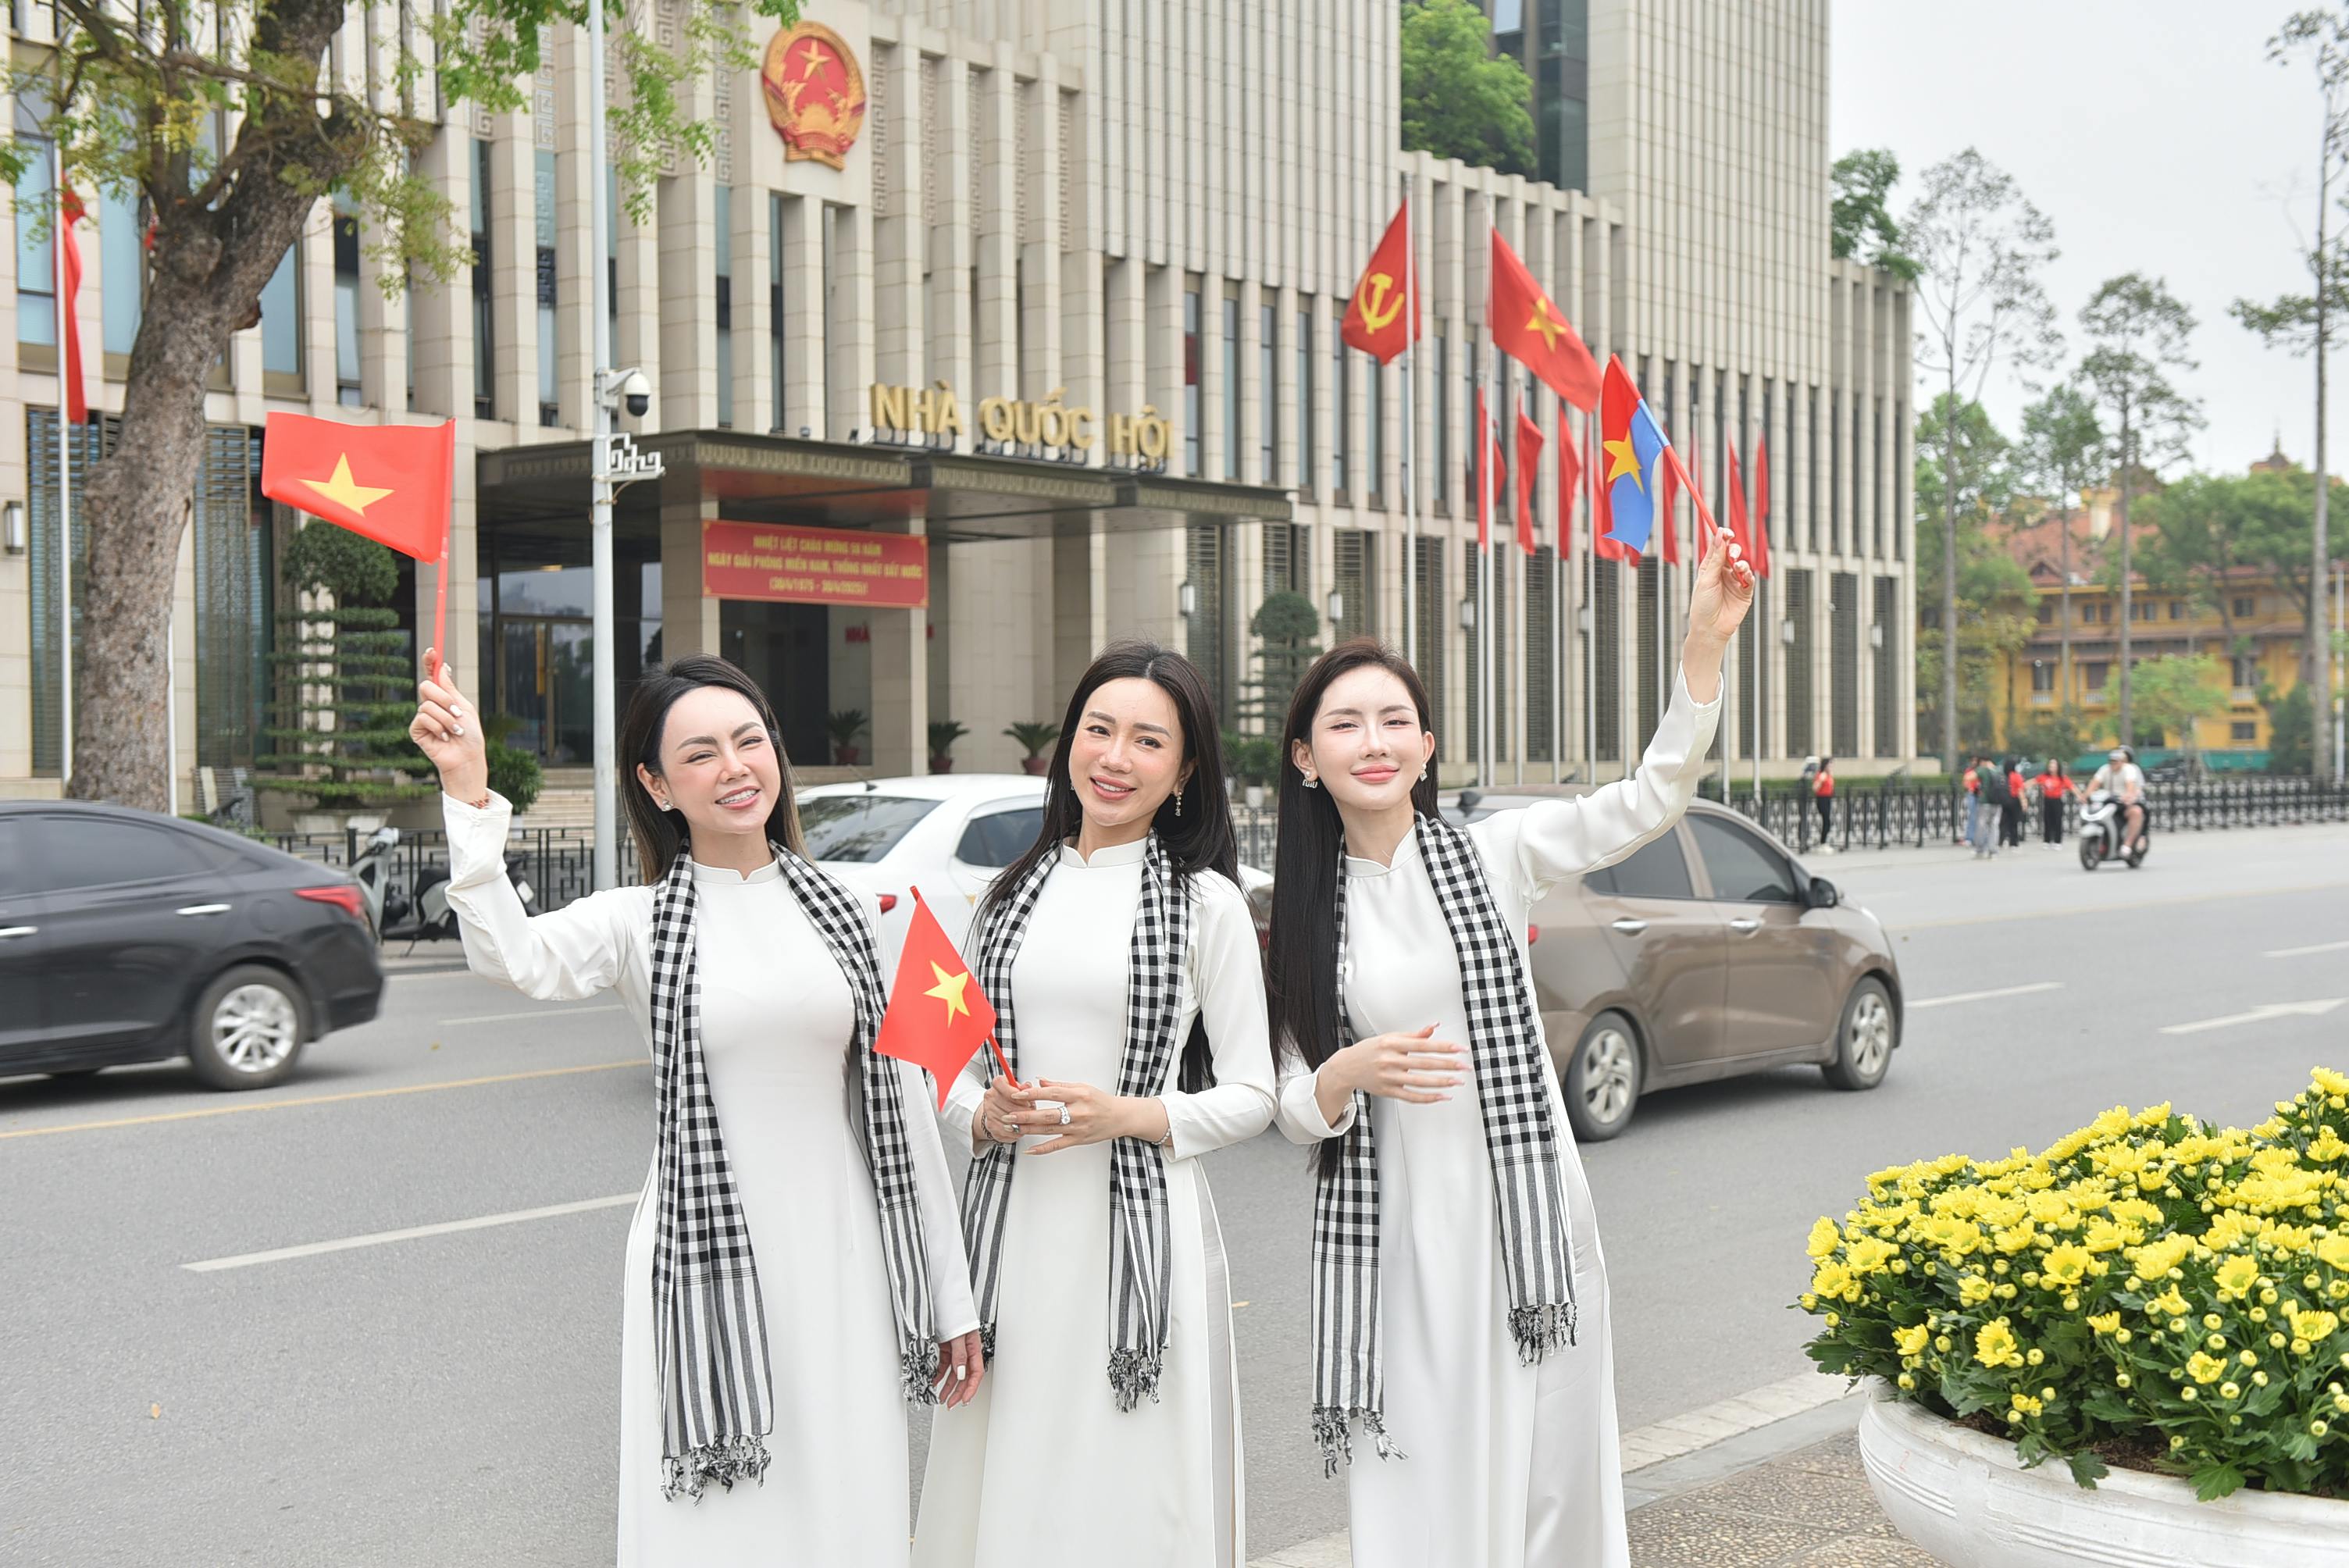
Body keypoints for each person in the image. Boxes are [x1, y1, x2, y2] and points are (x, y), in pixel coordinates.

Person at [407, 652, 982, 1567]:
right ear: (655, 783)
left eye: (749, 741)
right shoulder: (635, 921)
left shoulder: (865, 906)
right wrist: (469, 790)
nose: (734, 767)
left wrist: (950, 1299)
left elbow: (923, 1104)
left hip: (841, 1251)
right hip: (698, 1253)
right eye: (702, 752)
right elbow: (505, 955)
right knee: (718, 1520)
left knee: (845, 1496)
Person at [1267, 526, 1752, 1568]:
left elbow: (1652, 796)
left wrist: (1701, 650)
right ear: (1307, 757)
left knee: (1550, 1470)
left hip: (1529, 1225)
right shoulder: (1301, 914)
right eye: (1345, 723)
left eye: (1396, 718)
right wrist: (1346, 1073)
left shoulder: (1497, 855)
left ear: (1428, 745)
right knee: (1419, 1473)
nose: (1375, 739)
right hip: (1396, 1238)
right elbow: (1288, 1106)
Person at [915, 642, 1275, 1568]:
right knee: (1013, 1463)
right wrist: (980, 1115)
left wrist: (1130, 1115)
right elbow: (947, 1063)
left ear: (1185, 768)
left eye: (1147, 740)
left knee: (1128, 1476)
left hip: (1138, 1236)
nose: (1114, 757)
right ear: (1068, 743)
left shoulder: (1208, 905)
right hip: (1015, 1230)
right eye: (1098, 729)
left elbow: (1250, 1092)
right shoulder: (1004, 895)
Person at [2088, 745, 2148, 853]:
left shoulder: (2131, 769)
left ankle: (2129, 844)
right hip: (2109, 802)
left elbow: (2133, 786)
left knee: (2137, 812)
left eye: (2117, 760)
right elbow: (2094, 783)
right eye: (2112, 761)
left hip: (2128, 802)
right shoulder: (2105, 769)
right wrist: (2086, 795)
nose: (2114, 763)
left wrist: (2130, 795)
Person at [1969, 754, 2006, 859]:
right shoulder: (1999, 771)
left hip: (1985, 802)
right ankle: (1993, 851)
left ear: (1983, 762)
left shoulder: (1983, 770)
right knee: (1994, 826)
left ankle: (1980, 849)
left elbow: (1969, 777)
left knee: (1981, 825)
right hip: (1997, 803)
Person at [2032, 757, 2069, 845]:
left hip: (2057, 801)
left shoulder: (2061, 778)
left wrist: (2081, 796)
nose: (2052, 766)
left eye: (2054, 764)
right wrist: (2022, 786)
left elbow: (2072, 787)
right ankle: (2047, 840)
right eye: (2050, 764)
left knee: (2057, 821)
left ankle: (2057, 841)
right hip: (2047, 800)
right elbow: (2033, 781)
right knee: (2047, 820)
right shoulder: (2044, 777)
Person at [2000, 757, 2026, 849]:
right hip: (2014, 800)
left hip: (2004, 801)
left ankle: (2001, 840)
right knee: (2014, 822)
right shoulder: (2016, 776)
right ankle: (2013, 842)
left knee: (2003, 822)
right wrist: (2024, 802)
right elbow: (2020, 790)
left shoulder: (2002, 776)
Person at [1812, 756, 1835, 846]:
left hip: (1828, 799)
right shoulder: (1821, 775)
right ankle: (1823, 842)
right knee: (1827, 821)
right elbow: (1815, 788)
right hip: (1822, 799)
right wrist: (1821, 780)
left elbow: (1831, 788)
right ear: (1825, 765)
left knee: (1827, 821)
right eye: (1830, 764)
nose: (1831, 766)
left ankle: (1824, 841)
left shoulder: (1829, 775)